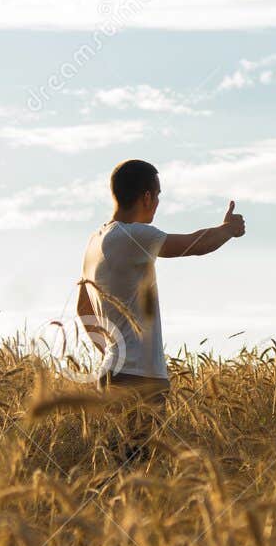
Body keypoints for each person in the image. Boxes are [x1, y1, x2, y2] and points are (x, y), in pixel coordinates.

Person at [76, 159, 246, 406]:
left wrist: (113, 356)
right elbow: (194, 244)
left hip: (112, 374)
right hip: (139, 378)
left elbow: (83, 309)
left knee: (121, 446)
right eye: (157, 196)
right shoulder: (132, 235)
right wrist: (228, 229)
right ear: (146, 197)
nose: (156, 203)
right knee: (142, 446)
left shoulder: (94, 241)